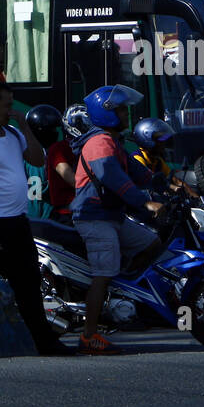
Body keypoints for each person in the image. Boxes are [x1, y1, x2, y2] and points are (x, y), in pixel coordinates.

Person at [0, 82, 68, 356]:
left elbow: (35, 159)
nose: (12, 111)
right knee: (3, 286)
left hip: (19, 222)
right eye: (7, 106)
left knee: (31, 281)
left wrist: (24, 126)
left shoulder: (13, 134)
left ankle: (42, 341)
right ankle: (2, 341)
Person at [70, 84, 164, 355]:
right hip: (95, 218)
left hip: (113, 216)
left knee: (152, 243)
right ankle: (89, 336)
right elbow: (113, 178)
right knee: (103, 275)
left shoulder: (114, 142)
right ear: (107, 113)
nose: (127, 114)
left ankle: (121, 294)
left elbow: (139, 173)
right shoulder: (99, 142)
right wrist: (145, 201)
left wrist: (170, 185)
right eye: (122, 110)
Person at [130, 117, 197, 197]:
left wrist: (195, 197)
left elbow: (175, 180)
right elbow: (150, 179)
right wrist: (173, 187)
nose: (163, 144)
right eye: (160, 140)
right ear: (147, 140)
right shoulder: (137, 159)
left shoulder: (157, 160)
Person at [43, 104, 87, 223]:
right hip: (68, 214)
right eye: (84, 125)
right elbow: (73, 180)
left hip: (88, 210)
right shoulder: (58, 149)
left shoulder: (90, 147)